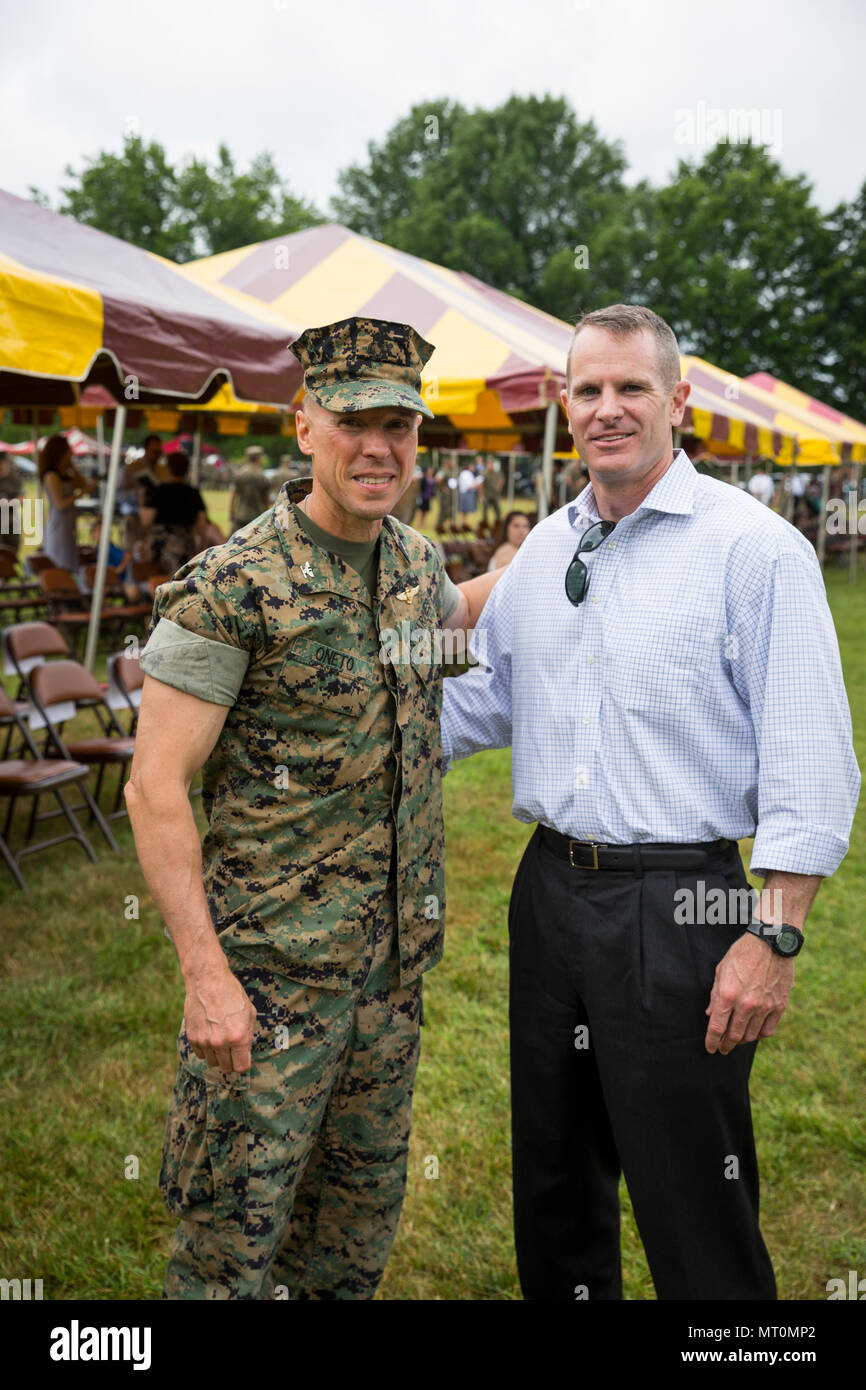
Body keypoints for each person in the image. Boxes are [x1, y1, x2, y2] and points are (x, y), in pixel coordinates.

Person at [441, 303, 860, 1301]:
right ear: (564, 405)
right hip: (549, 896)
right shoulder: (547, 550)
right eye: (587, 389)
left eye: (630, 387)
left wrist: (773, 937)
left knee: (692, 1199)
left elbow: (810, 763)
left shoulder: (752, 552)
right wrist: (339, 709)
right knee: (552, 1184)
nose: (607, 408)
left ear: (677, 401)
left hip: (684, 908)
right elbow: (481, 703)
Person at [127, 315, 501, 1301]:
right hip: (267, 989)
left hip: (388, 984)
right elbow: (152, 783)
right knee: (231, 1256)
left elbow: (466, 608)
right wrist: (206, 977)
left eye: (399, 424)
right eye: (351, 421)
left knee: (350, 1245)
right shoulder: (232, 585)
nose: (377, 445)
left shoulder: (415, 568)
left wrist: (586, 541)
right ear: (302, 426)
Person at [139, 451, 209, 575]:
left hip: (161, 546)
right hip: (186, 545)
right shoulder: (193, 493)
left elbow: (146, 521)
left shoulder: (158, 491)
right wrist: (201, 547)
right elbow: (202, 525)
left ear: (168, 468)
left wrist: (142, 499)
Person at [38, 434, 97, 571]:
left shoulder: (65, 474)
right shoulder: (51, 475)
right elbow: (60, 503)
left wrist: (72, 467)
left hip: (69, 522)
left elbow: (82, 484)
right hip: (59, 523)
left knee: (71, 560)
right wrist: (81, 494)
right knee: (61, 562)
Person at [230, 445, 273, 529]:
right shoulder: (263, 476)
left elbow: (234, 496)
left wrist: (231, 513)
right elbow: (266, 500)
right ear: (259, 458)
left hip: (241, 515)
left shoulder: (239, 474)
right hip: (258, 517)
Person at [0, 448, 25, 555]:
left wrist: (10, 502)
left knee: (13, 550)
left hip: (11, 518)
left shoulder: (14, 479)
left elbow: (21, 498)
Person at [481, 457, 503, 527]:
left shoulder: (497, 472)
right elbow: (480, 484)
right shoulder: (484, 473)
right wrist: (481, 495)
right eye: (489, 464)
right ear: (487, 464)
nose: (490, 465)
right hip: (487, 494)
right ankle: (485, 524)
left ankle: (498, 523)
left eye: (491, 464)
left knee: (498, 510)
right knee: (485, 510)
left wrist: (499, 487)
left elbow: (502, 479)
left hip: (495, 495)